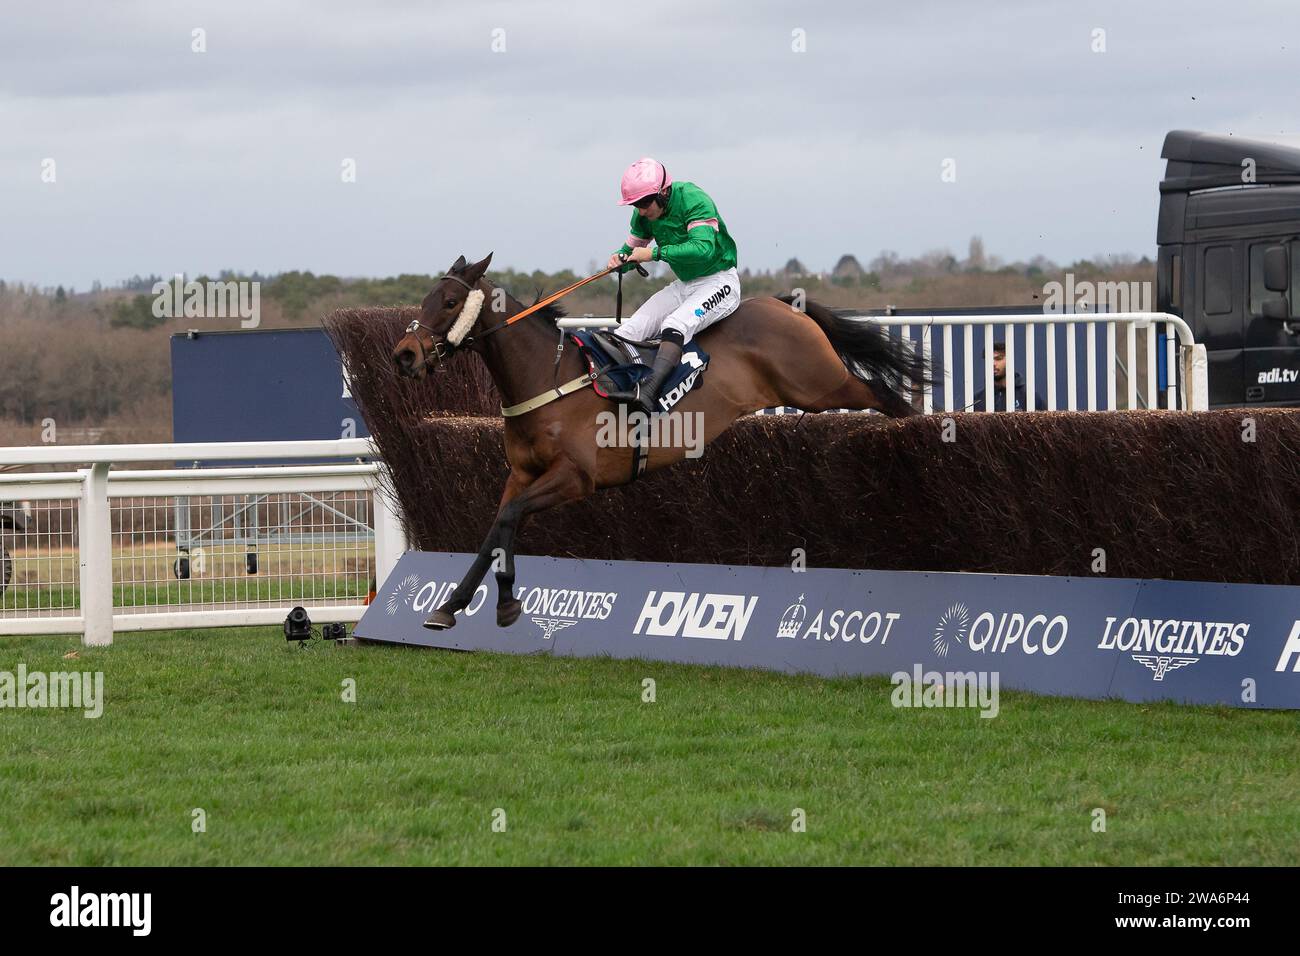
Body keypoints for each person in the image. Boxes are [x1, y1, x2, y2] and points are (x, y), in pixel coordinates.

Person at [603, 158, 740, 415]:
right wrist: (619, 261)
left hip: (719, 281)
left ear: (663, 192)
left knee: (674, 325)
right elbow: (631, 251)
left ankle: (650, 393)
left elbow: (703, 248)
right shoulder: (643, 213)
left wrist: (653, 254)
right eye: (635, 204)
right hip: (684, 285)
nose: (641, 210)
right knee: (628, 331)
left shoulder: (693, 199)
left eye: (644, 203)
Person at [972, 341, 1046, 411]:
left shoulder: (1028, 396)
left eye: (998, 359)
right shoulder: (978, 400)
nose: (993, 364)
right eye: (989, 359)